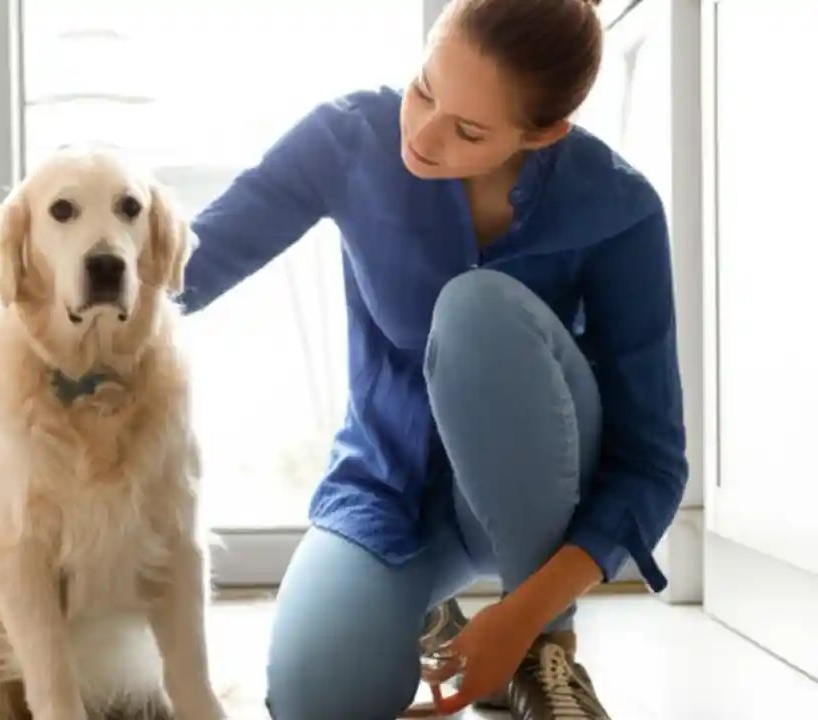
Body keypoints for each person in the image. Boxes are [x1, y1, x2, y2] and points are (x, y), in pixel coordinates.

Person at [175, 0, 688, 718]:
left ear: (542, 133)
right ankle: (421, 612)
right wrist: (52, 271)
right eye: (423, 88)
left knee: (475, 306)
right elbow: (186, 267)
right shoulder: (349, 136)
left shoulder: (619, 207)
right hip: (389, 490)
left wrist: (524, 617)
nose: (420, 131)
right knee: (314, 700)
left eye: (468, 129)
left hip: (547, 495)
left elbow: (653, 462)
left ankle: (545, 649)